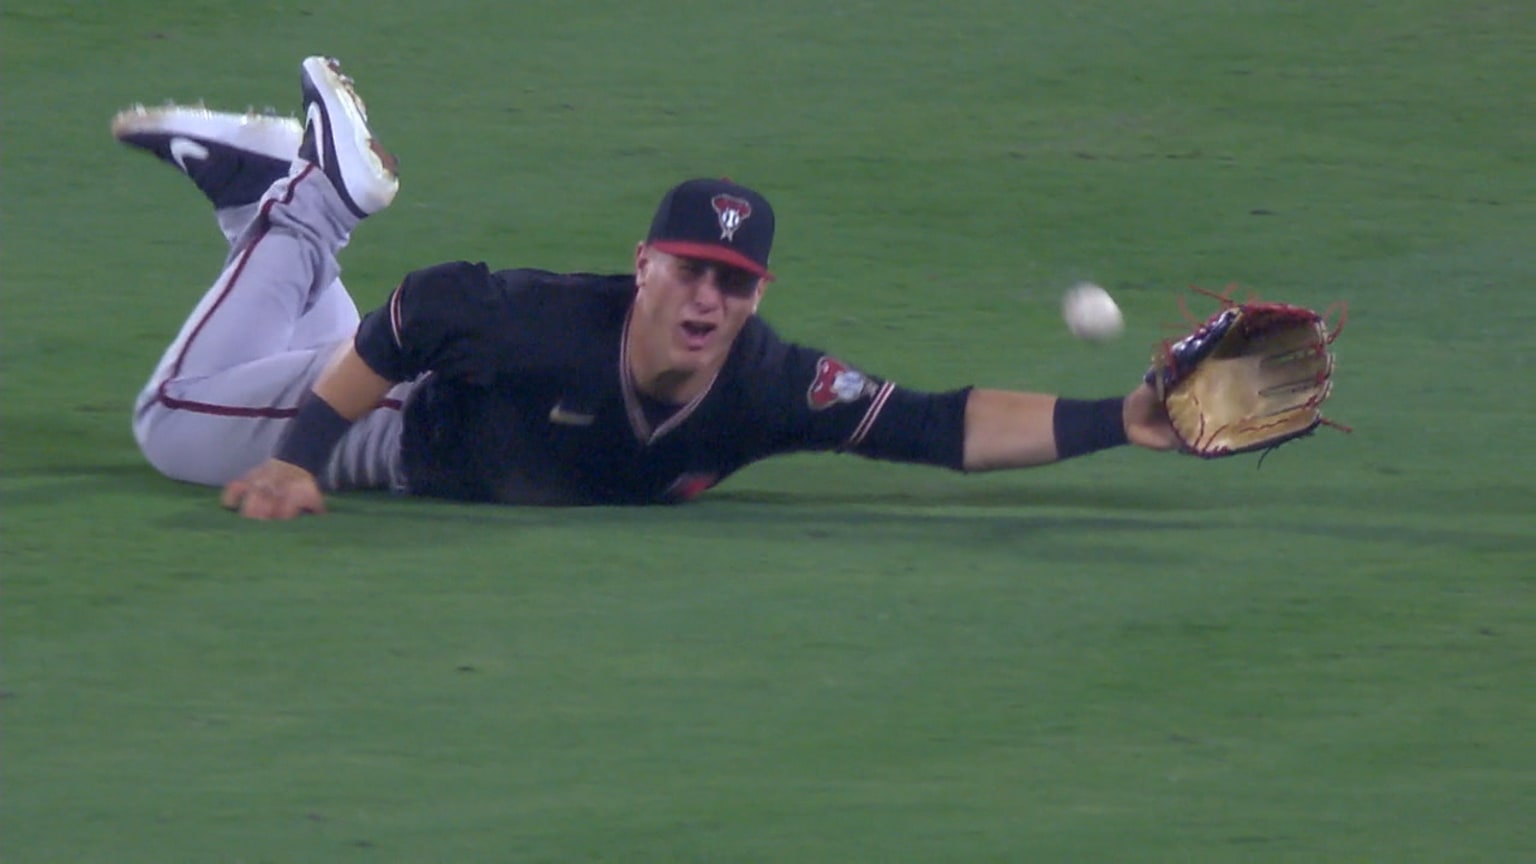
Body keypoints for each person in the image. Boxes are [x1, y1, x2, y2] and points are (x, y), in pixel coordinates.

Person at [116, 56, 1180, 520]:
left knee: (233, 375)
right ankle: (312, 205)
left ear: (754, 298)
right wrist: (300, 458)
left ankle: (266, 200)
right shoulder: (541, 322)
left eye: (734, 283)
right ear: (644, 267)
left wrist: (1121, 422)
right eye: (690, 273)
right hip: (386, 419)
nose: (708, 300)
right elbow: (413, 318)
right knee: (166, 427)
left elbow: (941, 426)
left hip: (416, 434)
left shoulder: (770, 387)